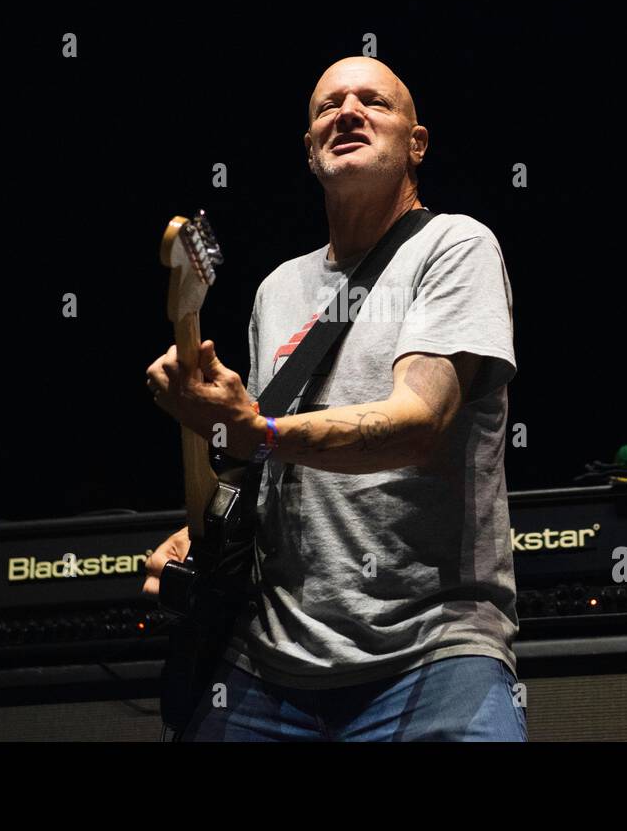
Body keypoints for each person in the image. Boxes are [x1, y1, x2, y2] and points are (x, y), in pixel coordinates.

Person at [143, 56, 524, 741]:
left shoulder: (454, 246)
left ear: (417, 142)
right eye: (328, 106)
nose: (348, 112)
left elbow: (416, 425)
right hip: (266, 666)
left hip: (433, 656)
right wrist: (204, 525)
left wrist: (254, 429)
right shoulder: (278, 289)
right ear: (310, 149)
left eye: (373, 101)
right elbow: (259, 463)